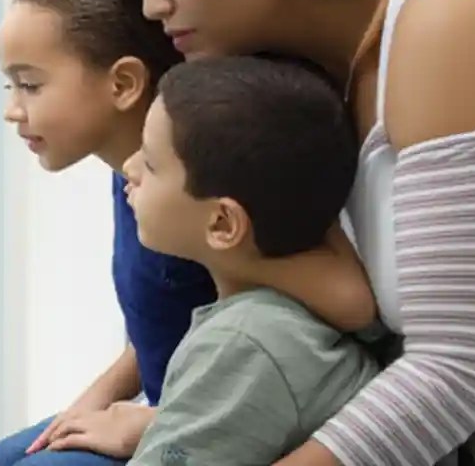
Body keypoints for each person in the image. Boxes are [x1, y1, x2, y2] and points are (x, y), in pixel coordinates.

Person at [102, 0, 475, 466]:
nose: (150, 4)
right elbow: (349, 301)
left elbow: (465, 365)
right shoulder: (294, 76)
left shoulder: (445, 20)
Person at [0, 0, 376, 466]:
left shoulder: (198, 202)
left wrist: (155, 423)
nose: (12, 109)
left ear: (123, 84)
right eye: (9, 86)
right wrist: (98, 398)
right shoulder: (137, 183)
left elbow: (349, 308)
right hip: (183, 399)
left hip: (213, 413)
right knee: (6, 455)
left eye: (30, 85)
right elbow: (158, 328)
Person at [123, 55, 378, 465]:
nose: (129, 167)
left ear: (222, 223)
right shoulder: (276, 324)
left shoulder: (242, 344)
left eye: (151, 163)